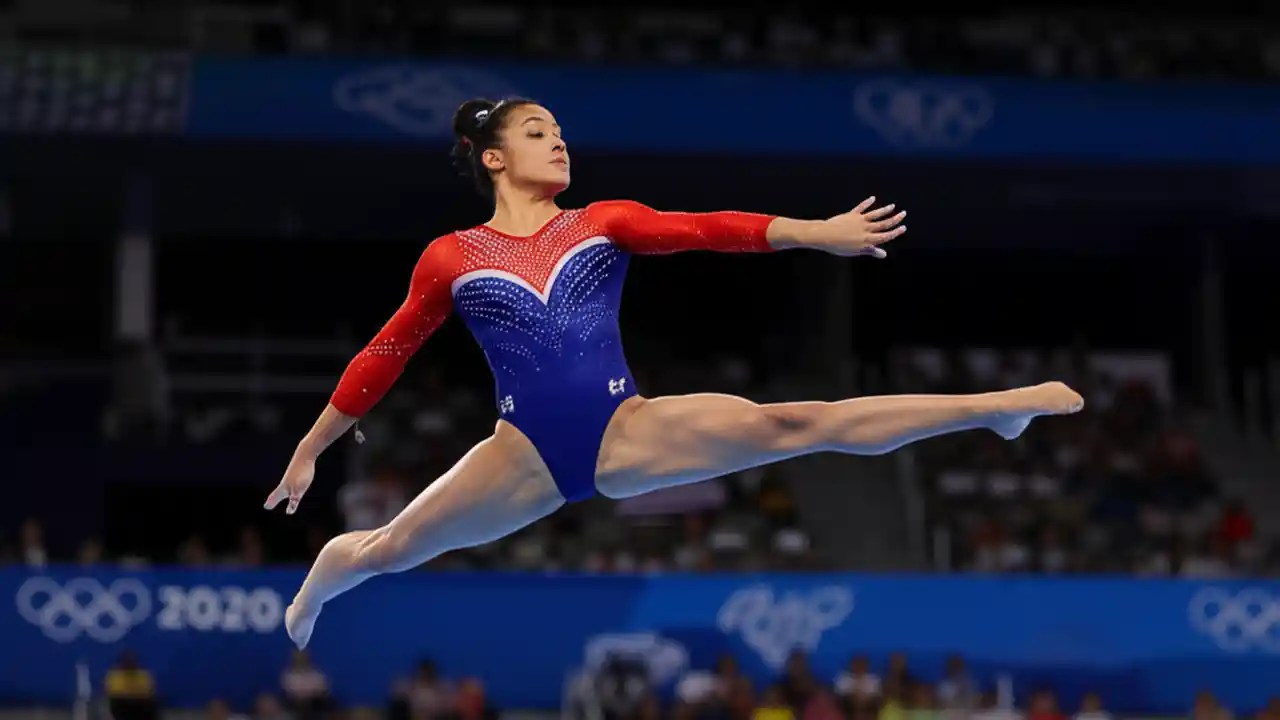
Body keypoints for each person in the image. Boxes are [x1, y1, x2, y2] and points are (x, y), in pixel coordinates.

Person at [264, 96, 1084, 648]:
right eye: (539, 131)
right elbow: (387, 350)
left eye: (560, 132)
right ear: (492, 158)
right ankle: (311, 598)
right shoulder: (452, 256)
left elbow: (707, 227)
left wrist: (816, 231)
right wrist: (311, 447)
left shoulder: (603, 221)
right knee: (387, 549)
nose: (560, 140)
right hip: (523, 453)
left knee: (798, 424)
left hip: (627, 428)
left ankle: (997, 406)